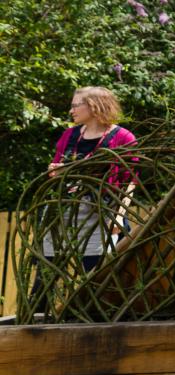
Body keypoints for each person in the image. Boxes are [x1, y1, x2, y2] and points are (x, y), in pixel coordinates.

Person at [31, 86, 136, 313]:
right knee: (47, 268)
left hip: (100, 211)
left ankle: (93, 317)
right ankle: (38, 318)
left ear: (94, 106)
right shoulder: (70, 135)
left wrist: (118, 217)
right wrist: (56, 170)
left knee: (97, 271)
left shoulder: (123, 137)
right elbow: (55, 171)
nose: (71, 110)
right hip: (64, 210)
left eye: (76, 105)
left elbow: (131, 182)